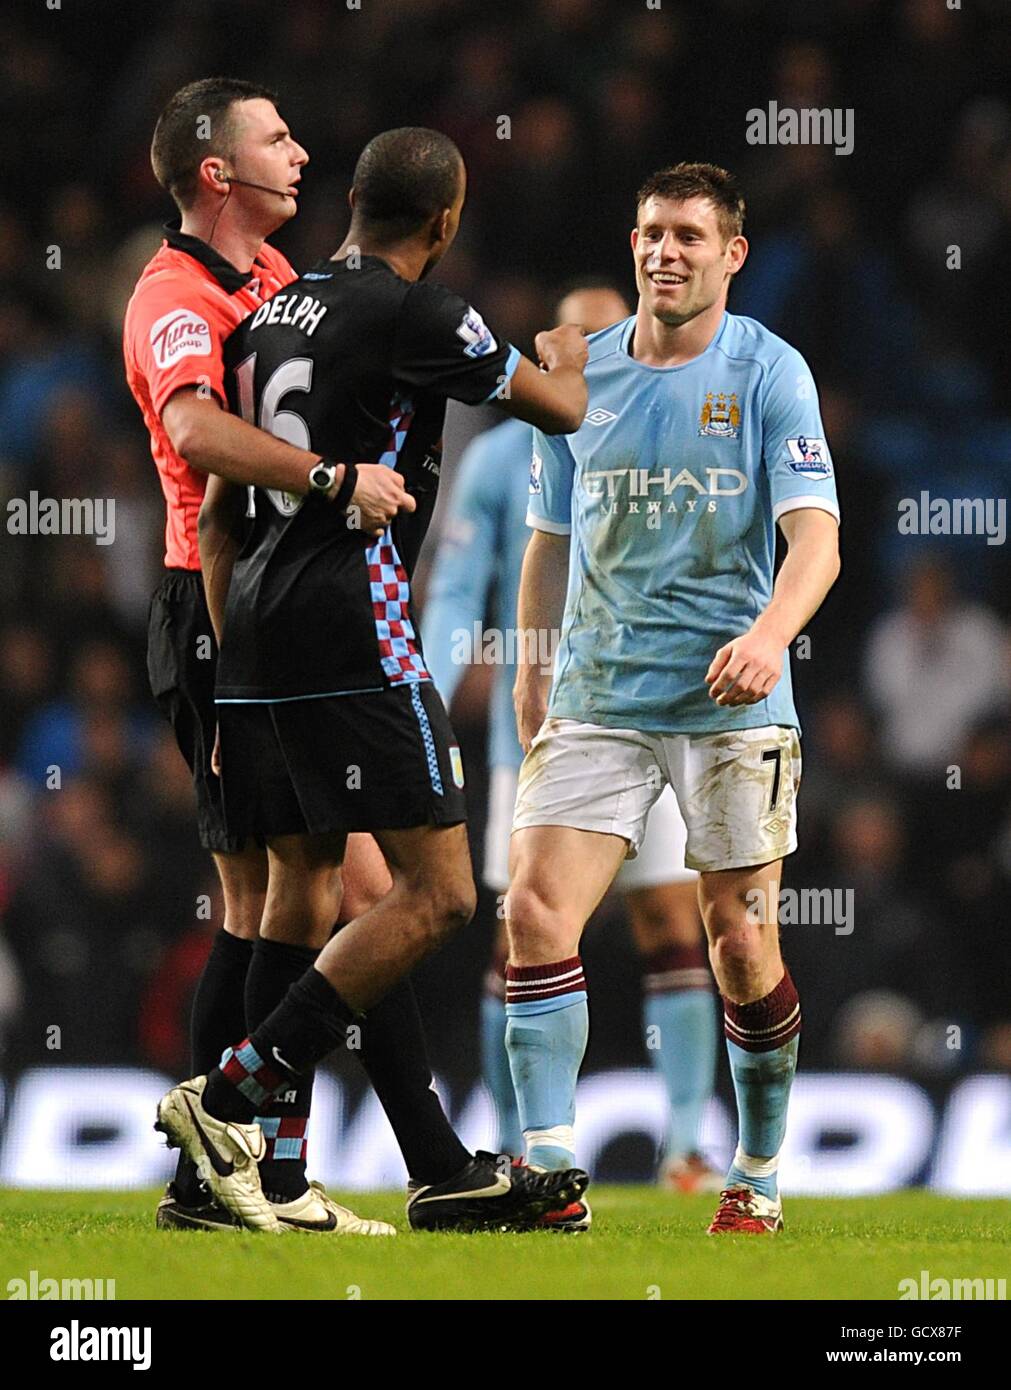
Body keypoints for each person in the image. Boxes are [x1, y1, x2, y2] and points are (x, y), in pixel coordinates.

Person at [156, 126, 591, 1233]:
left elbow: (212, 506)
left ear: (350, 202)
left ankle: (283, 1178)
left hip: (249, 637)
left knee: (296, 895)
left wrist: (233, 660)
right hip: (359, 636)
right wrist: (576, 357)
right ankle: (232, 1099)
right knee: (438, 892)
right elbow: (561, 408)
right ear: (443, 224)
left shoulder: (265, 314)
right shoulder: (422, 314)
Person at [504, 162, 841, 1234]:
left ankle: (758, 1169)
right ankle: (551, 1172)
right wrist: (529, 659)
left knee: (739, 944)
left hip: (732, 700)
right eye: (652, 231)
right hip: (599, 691)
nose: (665, 251)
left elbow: (816, 540)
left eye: (691, 235)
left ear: (732, 253)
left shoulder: (770, 373)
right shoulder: (577, 378)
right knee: (532, 909)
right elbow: (548, 542)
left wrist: (769, 634)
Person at [423, 279, 721, 1201]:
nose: (593, 350)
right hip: (539, 736)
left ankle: (682, 1146)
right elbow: (452, 590)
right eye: (580, 334)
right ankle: (516, 1143)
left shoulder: (669, 446)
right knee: (523, 930)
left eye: (609, 334)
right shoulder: (500, 458)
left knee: (675, 925)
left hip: (659, 719)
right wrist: (422, 702)